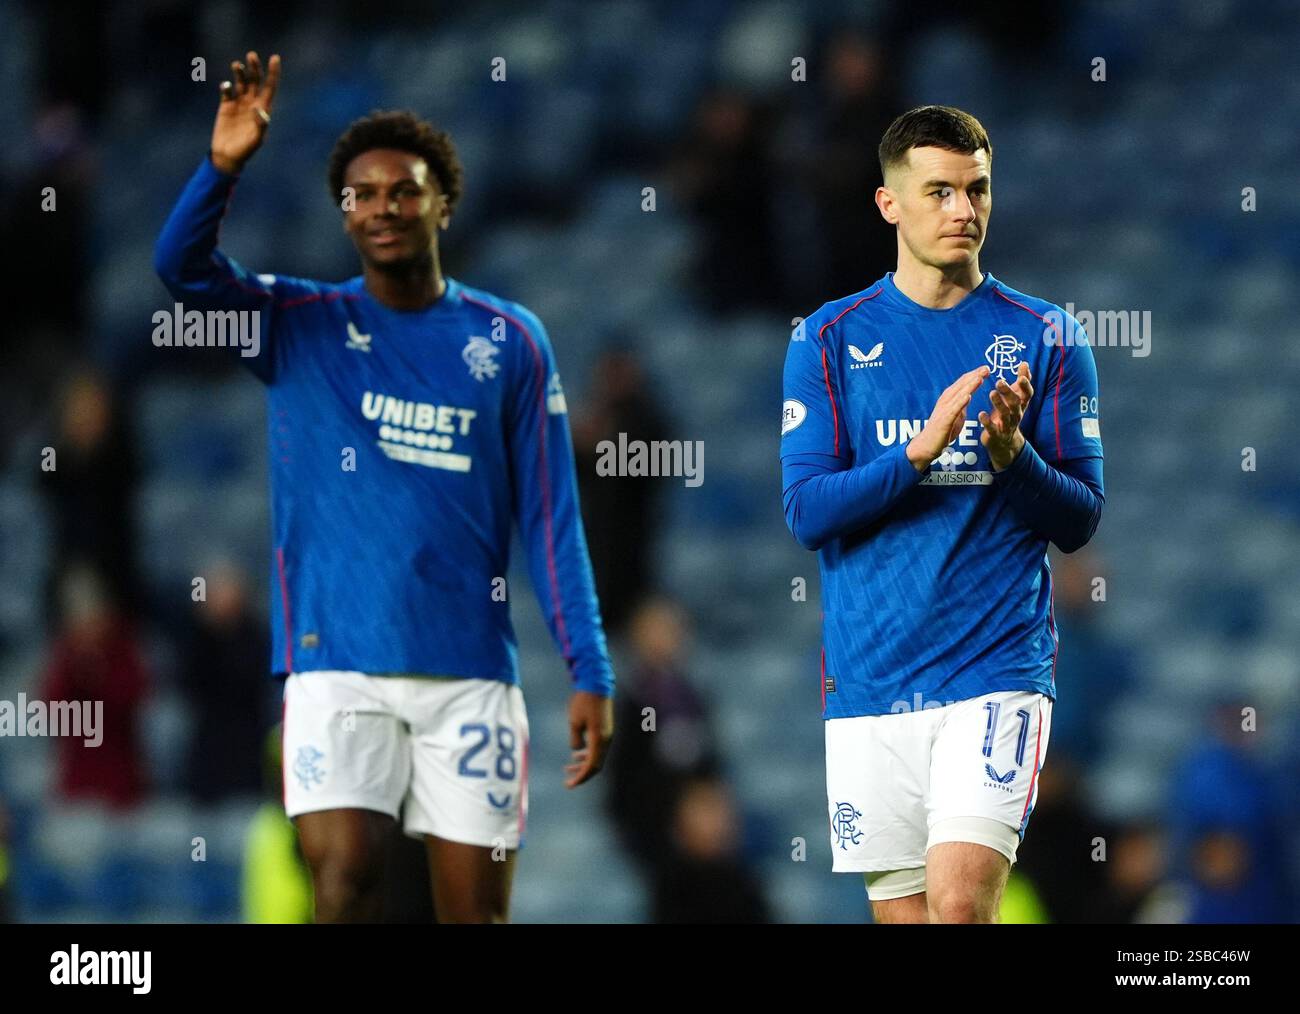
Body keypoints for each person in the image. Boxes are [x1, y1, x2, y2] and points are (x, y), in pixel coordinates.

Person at [154, 52, 615, 923]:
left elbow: (552, 518)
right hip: (336, 666)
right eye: (360, 196)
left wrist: (589, 664)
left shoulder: (511, 341)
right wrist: (221, 168)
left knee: (474, 914)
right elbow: (181, 271)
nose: (381, 209)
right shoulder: (298, 324)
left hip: (469, 672)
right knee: (342, 879)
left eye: (402, 190)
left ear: (444, 199)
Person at [780, 105, 1105, 923]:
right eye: (940, 192)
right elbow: (808, 512)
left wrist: (1011, 458)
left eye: (977, 190)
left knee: (960, 909)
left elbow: (1079, 519)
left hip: (993, 674)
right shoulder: (825, 340)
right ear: (890, 204)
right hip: (868, 681)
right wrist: (916, 456)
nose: (963, 210)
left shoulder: (1047, 337)